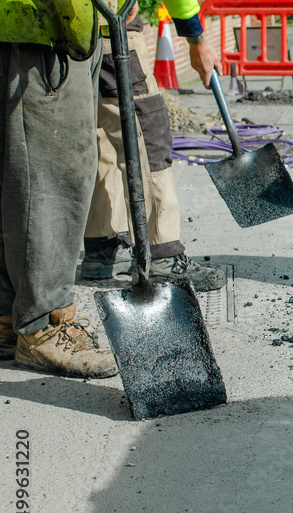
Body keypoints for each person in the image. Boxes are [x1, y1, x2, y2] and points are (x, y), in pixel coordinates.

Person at [0, 3, 118, 378]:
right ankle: (44, 324)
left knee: (15, 178)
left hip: (26, 29)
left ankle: (8, 316)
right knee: (52, 178)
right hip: (51, 30)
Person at [81, 2, 227, 292]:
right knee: (146, 134)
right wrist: (195, 37)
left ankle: (103, 248)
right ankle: (163, 255)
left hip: (70, 36)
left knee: (100, 134)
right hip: (113, 30)